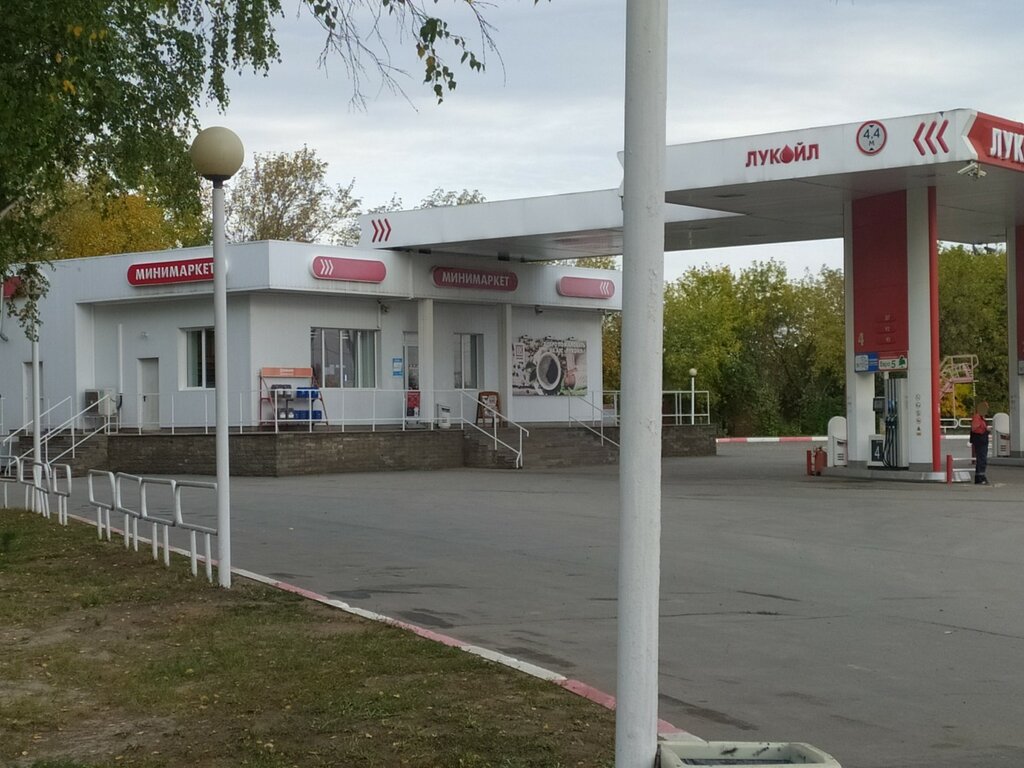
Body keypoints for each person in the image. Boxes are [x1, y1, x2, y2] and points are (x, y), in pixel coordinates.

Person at [970, 400, 990, 485]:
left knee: (982, 459)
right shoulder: (977, 417)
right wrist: (985, 429)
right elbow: (974, 428)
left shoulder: (981, 417)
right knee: (982, 459)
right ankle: (980, 477)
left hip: (982, 440)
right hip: (980, 440)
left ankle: (980, 476)